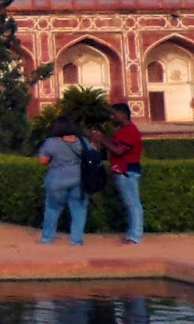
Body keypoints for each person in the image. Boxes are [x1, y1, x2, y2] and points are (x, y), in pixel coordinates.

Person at [92, 102, 144, 244]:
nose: (112, 117)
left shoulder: (130, 131)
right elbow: (114, 145)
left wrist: (102, 139)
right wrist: (102, 138)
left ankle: (135, 236)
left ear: (123, 114)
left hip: (127, 171)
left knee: (133, 204)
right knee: (130, 204)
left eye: (114, 114)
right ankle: (133, 233)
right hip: (121, 170)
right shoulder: (122, 130)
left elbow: (119, 151)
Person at [36, 117, 90, 246]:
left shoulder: (51, 142)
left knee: (52, 209)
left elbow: (42, 161)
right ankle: (76, 240)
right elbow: (92, 154)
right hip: (79, 179)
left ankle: (46, 238)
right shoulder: (82, 141)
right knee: (78, 209)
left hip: (56, 180)